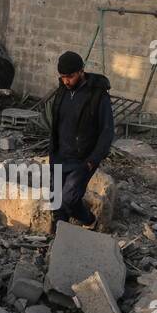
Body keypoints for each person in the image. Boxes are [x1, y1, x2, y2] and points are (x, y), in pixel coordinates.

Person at [48, 50, 114, 230]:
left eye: (69, 77)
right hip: (60, 155)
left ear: (81, 71)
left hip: (83, 160)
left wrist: (93, 160)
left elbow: (107, 131)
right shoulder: (62, 91)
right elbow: (56, 124)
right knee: (56, 201)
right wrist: (52, 153)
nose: (66, 81)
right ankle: (58, 238)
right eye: (62, 77)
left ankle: (89, 221)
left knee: (70, 198)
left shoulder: (97, 95)